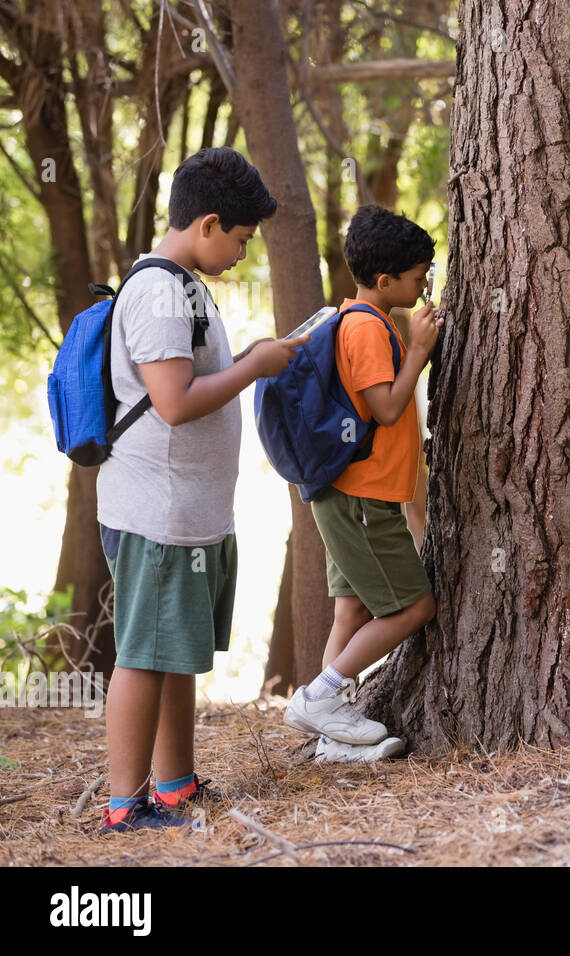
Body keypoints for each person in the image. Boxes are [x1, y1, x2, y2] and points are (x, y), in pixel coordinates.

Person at [98, 147, 305, 832]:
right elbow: (175, 402)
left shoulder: (183, 285)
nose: (244, 254)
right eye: (242, 239)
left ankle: (176, 784)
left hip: (186, 512)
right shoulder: (161, 292)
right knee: (144, 654)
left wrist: (246, 358)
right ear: (209, 223)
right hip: (155, 512)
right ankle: (126, 806)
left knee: (174, 651)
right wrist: (255, 367)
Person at [284, 204, 440, 762]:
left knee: (350, 612)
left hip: (346, 493)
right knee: (413, 608)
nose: (424, 288)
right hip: (364, 498)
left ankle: (334, 739)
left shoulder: (359, 319)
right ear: (385, 281)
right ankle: (320, 698)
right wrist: (419, 351)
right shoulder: (368, 329)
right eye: (418, 278)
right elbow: (388, 408)